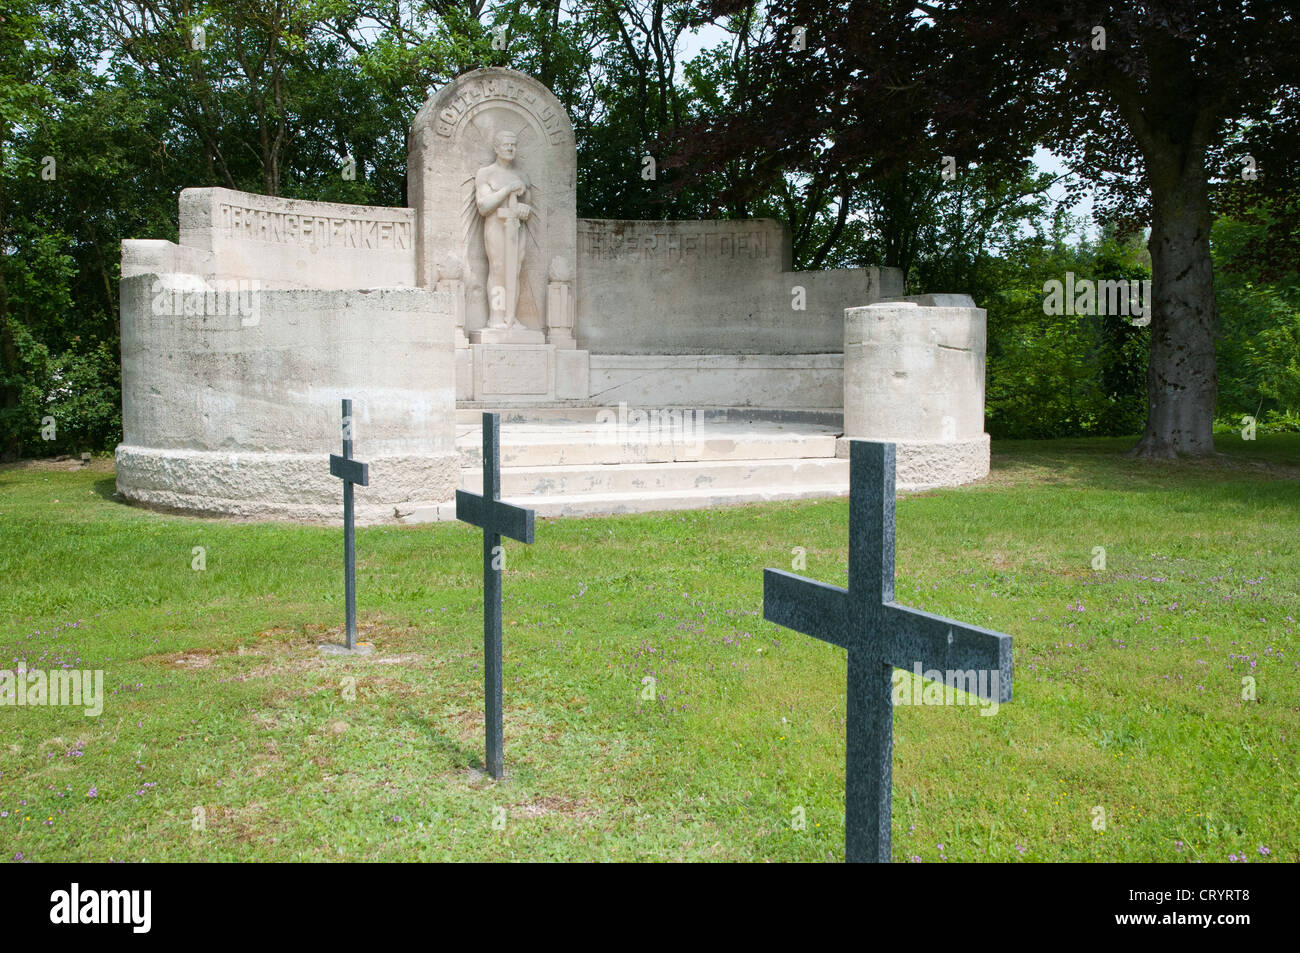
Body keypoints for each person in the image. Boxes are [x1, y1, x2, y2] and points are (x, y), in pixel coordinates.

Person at [475, 130, 532, 327]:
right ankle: (496, 317)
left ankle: (511, 317)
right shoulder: (486, 173)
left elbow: (528, 206)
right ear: (496, 148)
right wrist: (507, 189)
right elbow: (484, 206)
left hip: (516, 228)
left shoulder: (522, 176)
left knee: (514, 270)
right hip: (496, 226)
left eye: (513, 145)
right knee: (498, 268)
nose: (510, 148)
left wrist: (525, 208)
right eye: (506, 144)